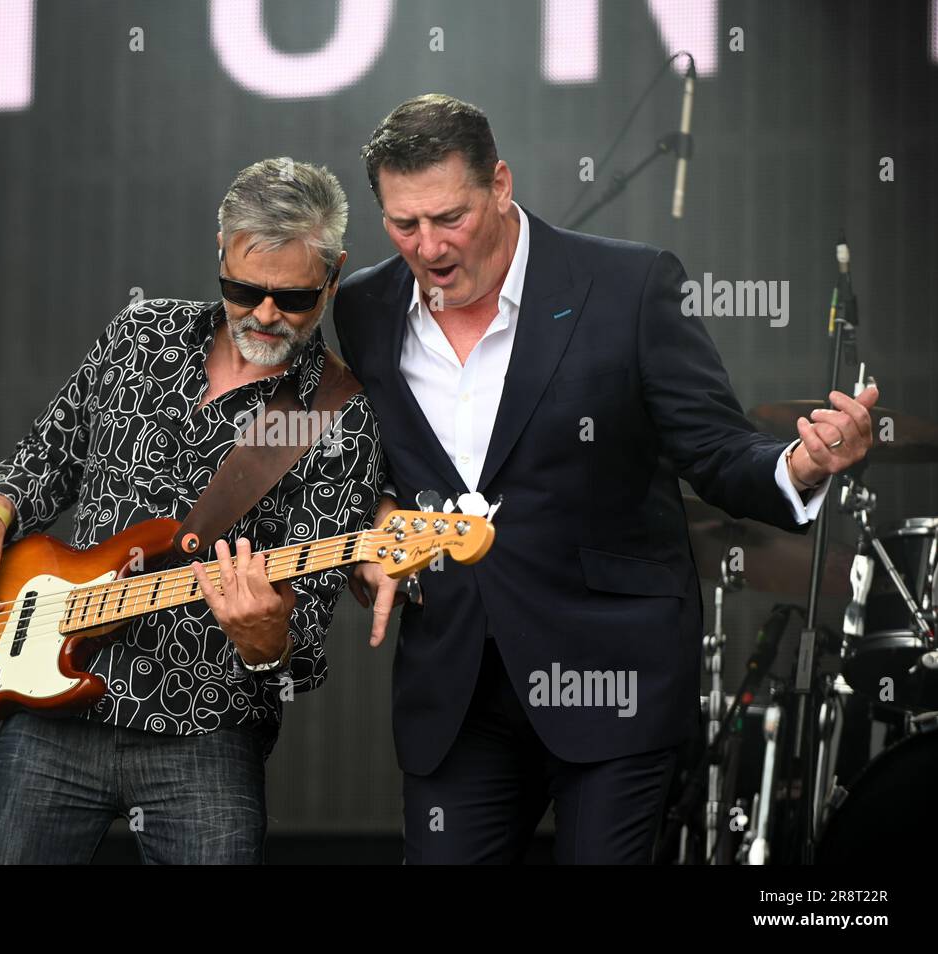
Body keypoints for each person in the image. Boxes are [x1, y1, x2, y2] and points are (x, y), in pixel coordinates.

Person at [337, 94, 878, 864]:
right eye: (404, 224)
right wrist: (378, 512)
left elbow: (717, 449)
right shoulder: (364, 306)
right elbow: (363, 456)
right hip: (455, 685)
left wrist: (799, 465)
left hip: (611, 672)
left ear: (500, 185)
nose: (427, 246)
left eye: (449, 217)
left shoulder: (629, 286)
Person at [0, 157, 385, 863]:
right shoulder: (141, 336)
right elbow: (48, 456)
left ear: (334, 274)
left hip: (203, 736)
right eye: (243, 288)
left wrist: (269, 643)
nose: (265, 314)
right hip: (48, 715)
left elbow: (302, 654)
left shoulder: (341, 417)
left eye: (292, 298)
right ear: (219, 250)